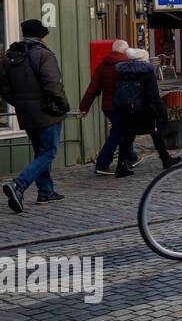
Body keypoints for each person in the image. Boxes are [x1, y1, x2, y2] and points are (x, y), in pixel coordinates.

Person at [1, 20, 71, 213]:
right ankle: (18, 185)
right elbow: (53, 85)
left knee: (40, 151)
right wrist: (63, 106)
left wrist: (21, 104)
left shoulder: (9, 57)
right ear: (41, 35)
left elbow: (5, 89)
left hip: (25, 112)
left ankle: (46, 192)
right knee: (48, 152)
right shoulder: (43, 54)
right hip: (47, 111)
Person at [113, 48, 178, 175]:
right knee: (155, 132)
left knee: (127, 136)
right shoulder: (147, 73)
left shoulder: (122, 72)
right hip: (144, 110)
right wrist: (163, 113)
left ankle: (121, 165)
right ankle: (166, 159)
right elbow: (153, 96)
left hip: (127, 109)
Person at [79, 38, 139, 176]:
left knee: (120, 130)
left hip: (108, 107)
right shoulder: (127, 65)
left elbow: (92, 89)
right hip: (123, 106)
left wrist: (84, 107)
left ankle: (132, 156)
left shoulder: (102, 66)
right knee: (117, 133)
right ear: (125, 51)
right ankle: (102, 163)